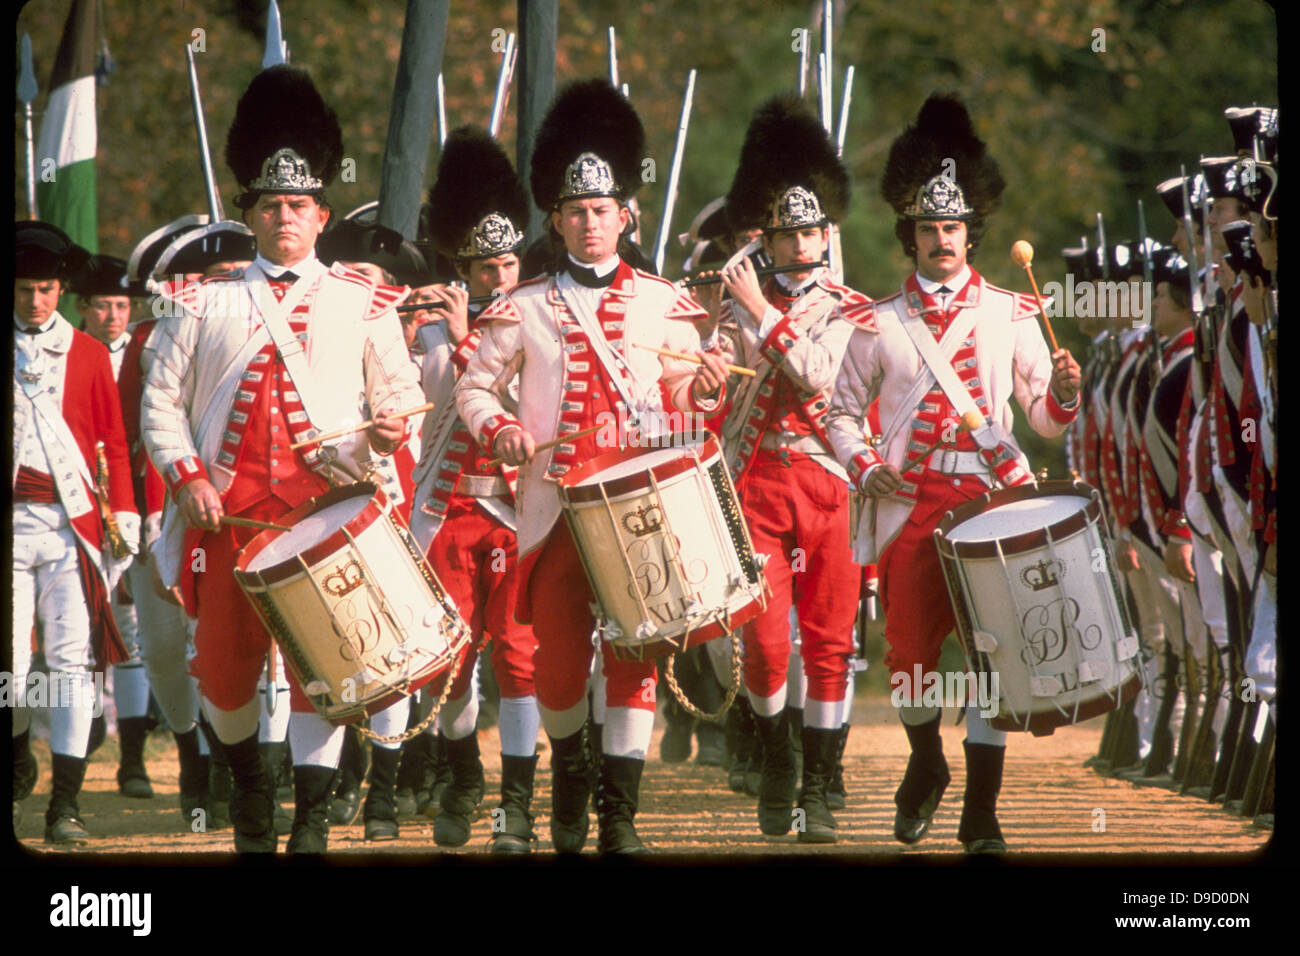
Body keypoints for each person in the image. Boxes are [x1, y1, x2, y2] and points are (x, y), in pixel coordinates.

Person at [141, 65, 424, 853]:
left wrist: (392, 428)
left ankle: (307, 819)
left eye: (299, 204)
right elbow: (159, 403)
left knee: (322, 674)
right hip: (230, 519)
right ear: (252, 214)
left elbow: (397, 390)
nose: (285, 217)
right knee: (228, 676)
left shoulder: (365, 300)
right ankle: (252, 795)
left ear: (321, 213)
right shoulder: (200, 299)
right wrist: (187, 476)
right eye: (271, 205)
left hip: (324, 519)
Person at [455, 79, 729, 854]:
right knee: (562, 666)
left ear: (625, 215)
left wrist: (698, 385)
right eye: (574, 212)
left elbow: (683, 388)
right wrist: (501, 426)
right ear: (556, 218)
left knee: (635, 658)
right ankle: (569, 789)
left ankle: (621, 817)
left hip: (637, 508)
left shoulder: (667, 301)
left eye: (601, 211)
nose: (588, 224)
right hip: (555, 509)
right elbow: (476, 385)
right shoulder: (525, 305)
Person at [827, 94, 1081, 853]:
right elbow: (840, 413)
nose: (943, 239)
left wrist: (1065, 393)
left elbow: (1039, 413)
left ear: (972, 233)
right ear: (911, 235)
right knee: (908, 657)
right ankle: (925, 762)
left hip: (991, 500)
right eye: (931, 228)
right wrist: (865, 463)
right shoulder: (875, 321)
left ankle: (981, 813)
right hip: (909, 503)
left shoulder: (1011, 310)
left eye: (955, 227)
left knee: (992, 654)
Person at [706, 95, 870, 843]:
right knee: (767, 641)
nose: (802, 244)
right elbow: (717, 382)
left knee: (831, 641)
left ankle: (821, 777)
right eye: (789, 233)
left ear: (826, 237)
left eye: (812, 231)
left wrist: (758, 316)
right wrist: (707, 371)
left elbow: (814, 376)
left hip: (829, 487)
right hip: (757, 485)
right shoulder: (737, 306)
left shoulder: (852, 309)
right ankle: (777, 757)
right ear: (767, 240)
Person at [406, 125, 541, 852]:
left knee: (519, 653)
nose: (498, 278)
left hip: (516, 508)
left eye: (508, 262)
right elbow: (430, 402)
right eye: (484, 266)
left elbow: (528, 403)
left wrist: (475, 341)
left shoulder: (540, 321)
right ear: (461, 266)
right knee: (448, 658)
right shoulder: (426, 329)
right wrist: (440, 336)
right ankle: (463, 776)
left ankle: (517, 797)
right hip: (449, 508)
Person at [13, 221, 137, 843]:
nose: (34, 302)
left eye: (43, 289)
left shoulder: (88, 354)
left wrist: (128, 517)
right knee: (9, 666)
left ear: (60, 289)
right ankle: (15, 753)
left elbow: (113, 442)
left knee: (68, 666)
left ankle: (65, 805)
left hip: (71, 528)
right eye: (23, 289)